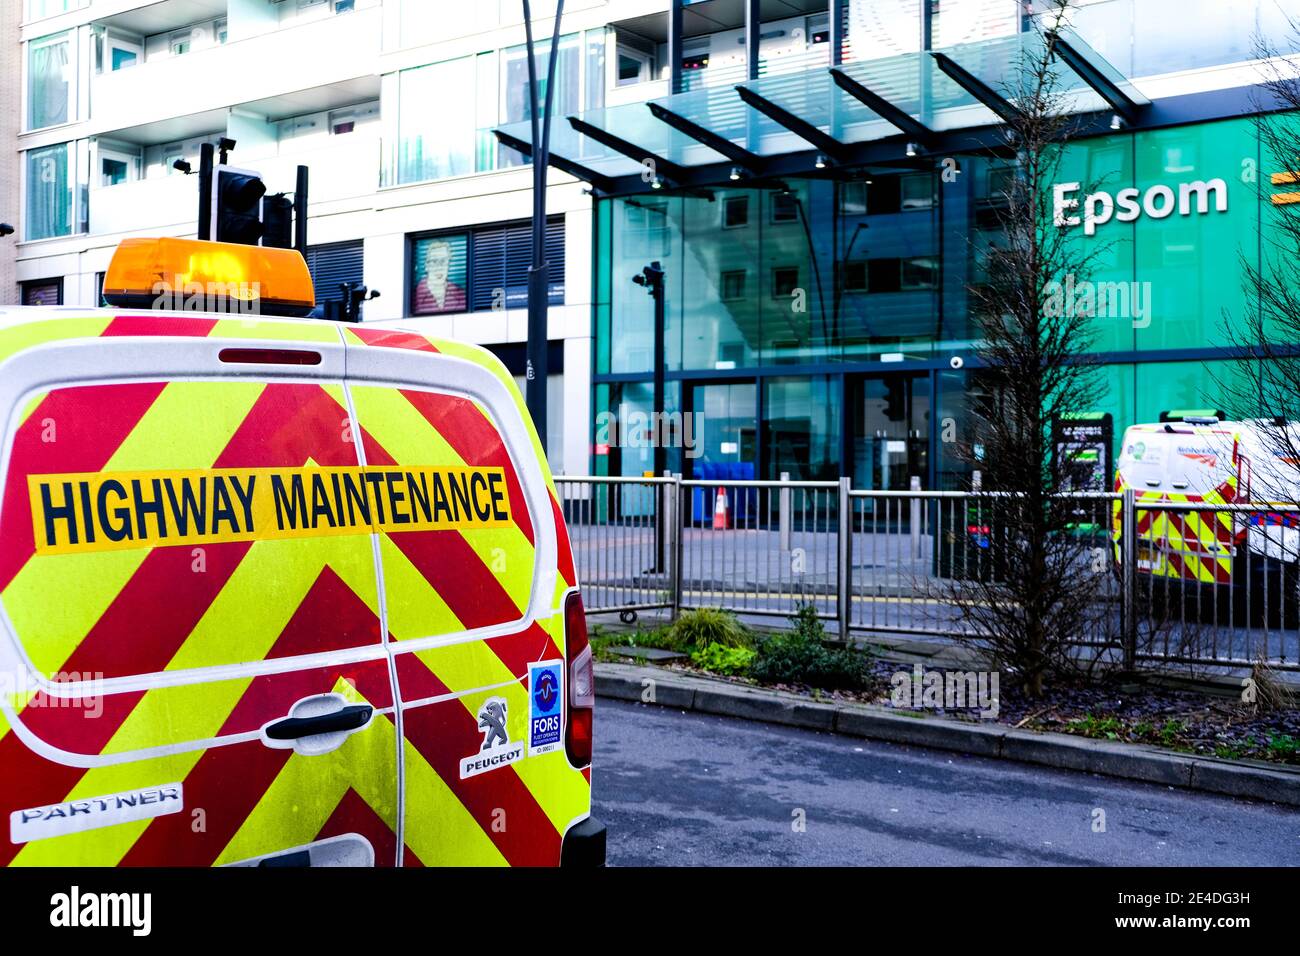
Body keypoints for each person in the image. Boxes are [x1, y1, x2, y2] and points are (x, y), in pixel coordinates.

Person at [414, 238, 467, 313]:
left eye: (443, 261)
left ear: (449, 264)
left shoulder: (461, 295)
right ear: (426, 266)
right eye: (434, 261)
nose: (439, 267)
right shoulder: (414, 297)